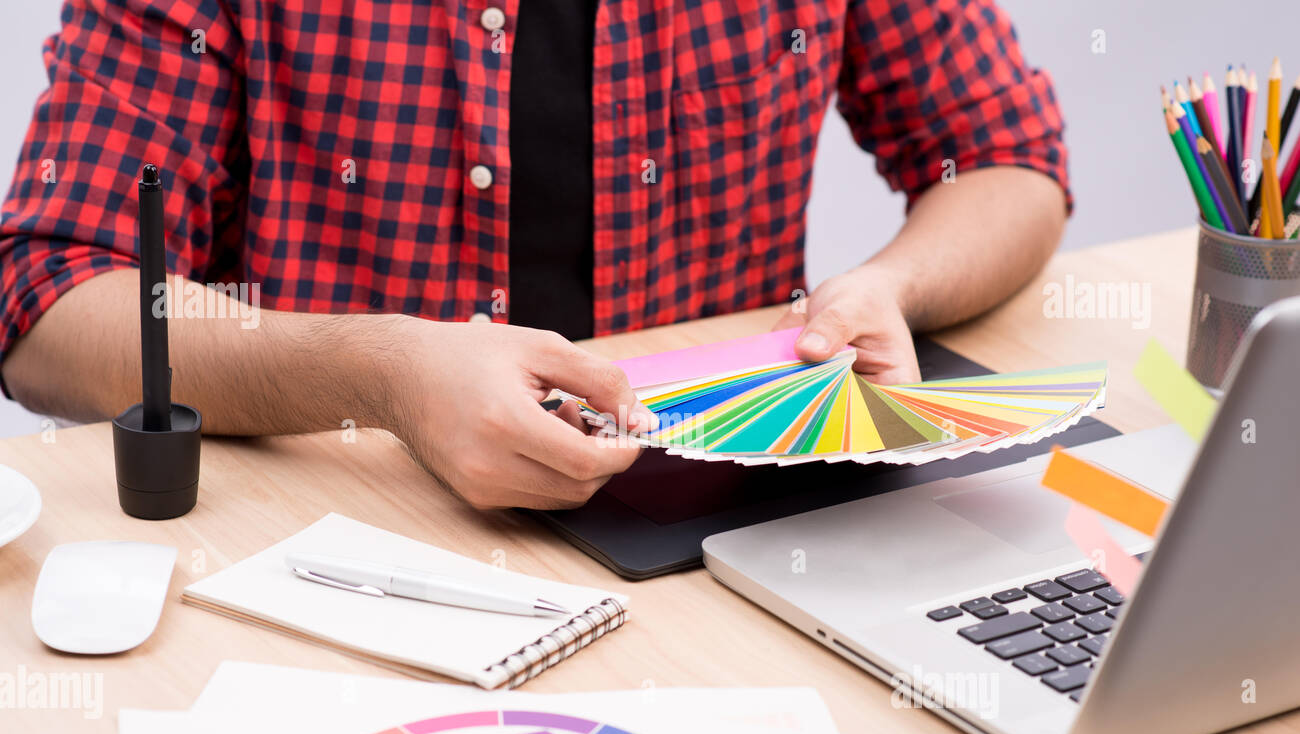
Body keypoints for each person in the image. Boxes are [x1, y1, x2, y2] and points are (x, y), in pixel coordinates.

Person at [0, 0, 1069, 509]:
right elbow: (49, 301)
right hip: (355, 540)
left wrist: (891, 283)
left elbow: (1006, 156)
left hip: (728, 535)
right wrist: (380, 374)